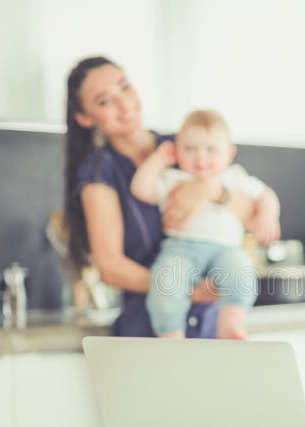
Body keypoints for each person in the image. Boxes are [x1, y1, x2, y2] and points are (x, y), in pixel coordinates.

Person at [63, 56, 254, 337]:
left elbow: (251, 216)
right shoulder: (99, 171)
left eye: (125, 88)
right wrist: (185, 289)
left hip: (210, 329)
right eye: (105, 101)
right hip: (148, 331)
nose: (125, 104)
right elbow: (110, 267)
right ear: (85, 117)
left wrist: (212, 190)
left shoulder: (184, 145)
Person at [130, 109, 280, 339]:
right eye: (189, 149)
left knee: (242, 274)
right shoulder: (173, 178)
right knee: (166, 285)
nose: (200, 158)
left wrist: (268, 216)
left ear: (229, 153)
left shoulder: (235, 177)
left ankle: (230, 325)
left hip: (227, 250)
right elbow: (141, 189)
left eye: (211, 150)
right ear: (177, 150)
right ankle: (170, 336)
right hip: (181, 248)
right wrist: (158, 160)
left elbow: (266, 195)